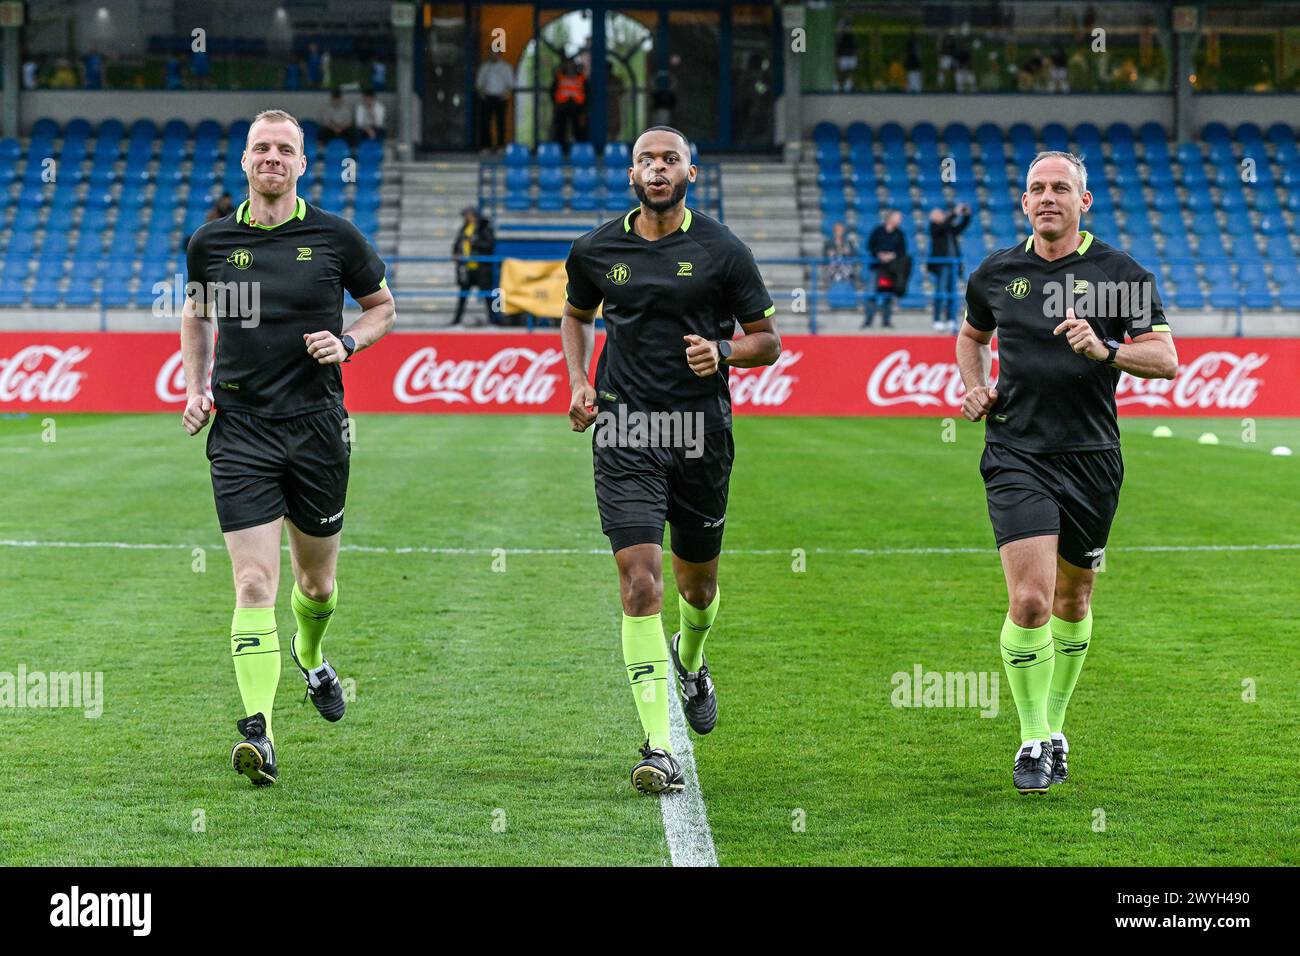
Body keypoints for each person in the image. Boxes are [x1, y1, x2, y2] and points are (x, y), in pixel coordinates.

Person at [561, 126, 780, 795]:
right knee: (640, 583)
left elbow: (767, 341)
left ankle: (692, 659)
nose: (657, 169)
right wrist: (578, 380)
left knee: (697, 589)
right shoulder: (598, 247)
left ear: (691, 171)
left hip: (700, 434)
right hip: (625, 428)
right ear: (632, 174)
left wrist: (724, 353)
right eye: (645, 160)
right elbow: (575, 315)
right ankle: (658, 745)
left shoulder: (723, 250)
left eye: (669, 160)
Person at [180, 109, 396, 787]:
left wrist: (350, 341)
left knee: (315, 583)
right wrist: (195, 388)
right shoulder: (210, 241)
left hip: (317, 427)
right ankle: (258, 732)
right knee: (252, 582)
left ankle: (312, 653)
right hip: (241, 429)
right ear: (244, 162)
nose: (271, 157)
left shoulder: (335, 237)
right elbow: (195, 312)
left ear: (302, 165)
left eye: (285, 149)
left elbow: (383, 305)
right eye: (260, 148)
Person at [957, 151, 1177, 794]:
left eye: (1061, 187)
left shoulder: (1120, 274)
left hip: (1092, 458)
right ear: (1023, 203)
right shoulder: (997, 272)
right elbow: (970, 336)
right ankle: (1030, 740)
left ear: (1086, 201)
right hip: (1016, 453)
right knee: (1029, 599)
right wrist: (975, 387)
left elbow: (1165, 359)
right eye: (1036, 188)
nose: (1047, 196)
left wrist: (1107, 348)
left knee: (1073, 598)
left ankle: (1054, 726)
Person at [928, 203, 971, 333]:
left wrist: (966, 216)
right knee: (940, 292)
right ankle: (937, 319)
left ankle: (951, 318)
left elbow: (960, 227)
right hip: (942, 263)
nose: (942, 216)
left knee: (952, 292)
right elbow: (943, 227)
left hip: (953, 264)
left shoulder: (948, 229)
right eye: (938, 214)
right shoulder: (934, 227)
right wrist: (953, 213)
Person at [450, 206, 495, 326]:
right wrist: (455, 253)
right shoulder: (464, 228)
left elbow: (490, 245)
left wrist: (474, 243)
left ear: (474, 215)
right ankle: (457, 320)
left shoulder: (484, 228)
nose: (466, 217)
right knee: (463, 296)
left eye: (468, 215)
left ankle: (493, 319)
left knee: (487, 295)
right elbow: (458, 243)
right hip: (467, 268)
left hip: (481, 268)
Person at [864, 209, 908, 328]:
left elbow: (903, 252)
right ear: (890, 218)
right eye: (898, 217)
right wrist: (879, 254)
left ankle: (886, 321)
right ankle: (868, 321)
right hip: (876, 267)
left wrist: (892, 256)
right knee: (871, 293)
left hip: (890, 270)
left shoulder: (900, 234)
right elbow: (870, 246)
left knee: (888, 295)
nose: (900, 220)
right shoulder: (878, 230)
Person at [476, 49, 514, 152]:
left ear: (499, 55)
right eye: (491, 54)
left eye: (495, 54)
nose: (493, 56)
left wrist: (505, 94)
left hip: (501, 98)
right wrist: (482, 94)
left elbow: (510, 84)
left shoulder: (506, 67)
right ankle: (486, 146)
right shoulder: (484, 67)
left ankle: (501, 146)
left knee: (500, 123)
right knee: (485, 123)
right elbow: (479, 84)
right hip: (487, 97)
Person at [550, 56, 587, 150]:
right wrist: (555, 104)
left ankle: (579, 151)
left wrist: (583, 108)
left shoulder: (581, 78)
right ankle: (561, 150)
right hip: (562, 107)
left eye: (572, 65)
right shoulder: (559, 77)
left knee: (579, 130)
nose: (570, 67)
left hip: (577, 108)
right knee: (560, 130)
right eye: (568, 65)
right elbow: (553, 91)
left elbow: (587, 92)